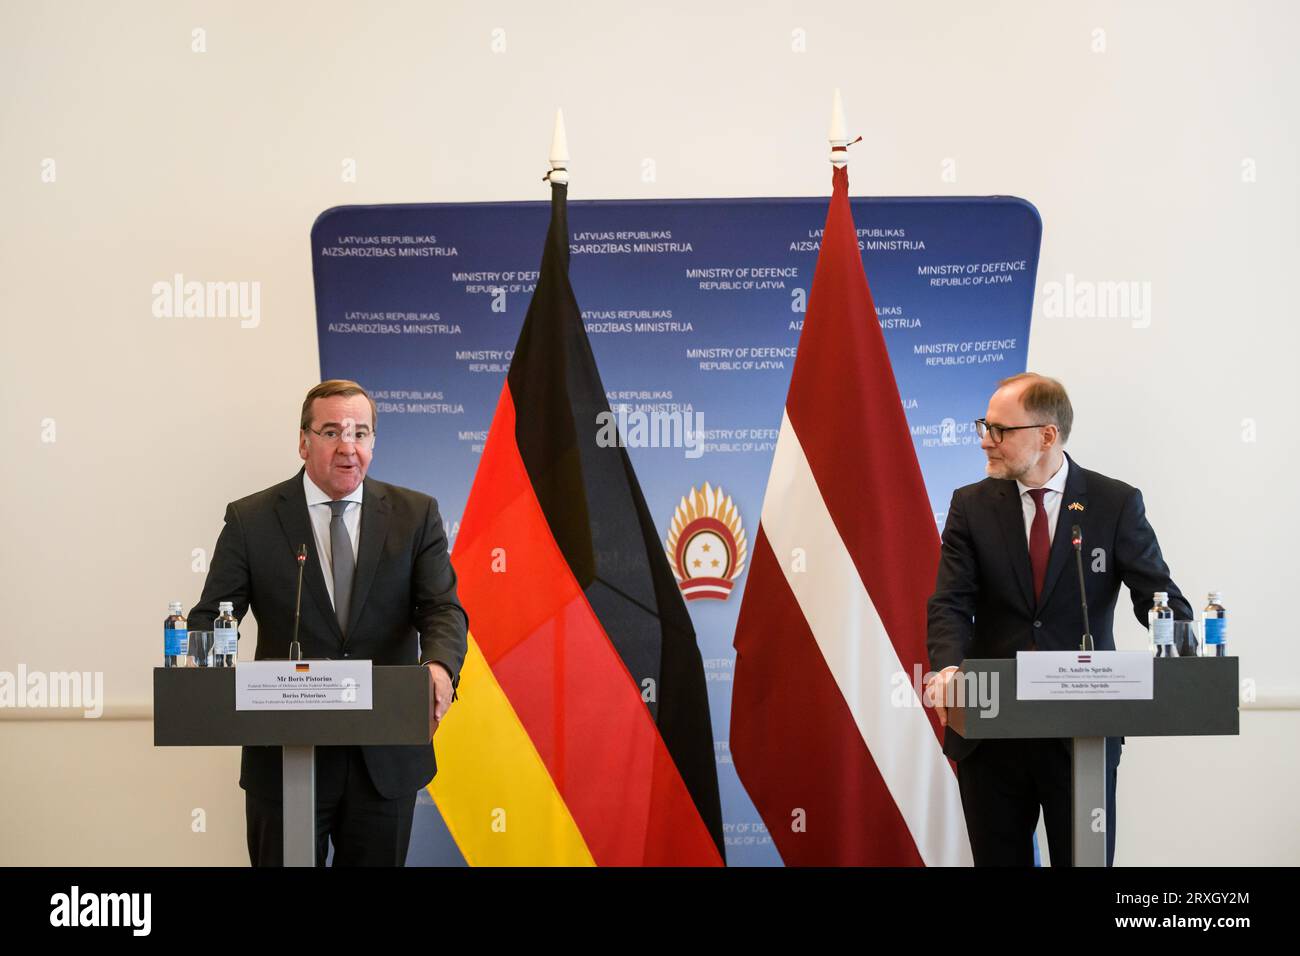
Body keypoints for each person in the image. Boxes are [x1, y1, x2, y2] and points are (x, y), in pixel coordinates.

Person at [187, 379, 468, 866]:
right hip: (285, 755)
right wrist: (206, 665)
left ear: (374, 443)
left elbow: (442, 608)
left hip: (383, 757)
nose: (348, 446)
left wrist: (440, 667)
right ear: (303, 441)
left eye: (361, 433)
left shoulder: (415, 515)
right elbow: (212, 616)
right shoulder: (252, 519)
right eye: (333, 431)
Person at [925, 372, 1191, 866]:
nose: (986, 439)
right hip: (991, 729)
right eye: (985, 425)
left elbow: (1155, 594)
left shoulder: (1114, 504)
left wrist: (1184, 652)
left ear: (1047, 435)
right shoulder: (971, 506)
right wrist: (946, 668)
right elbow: (950, 602)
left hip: (1082, 731)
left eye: (1000, 429)